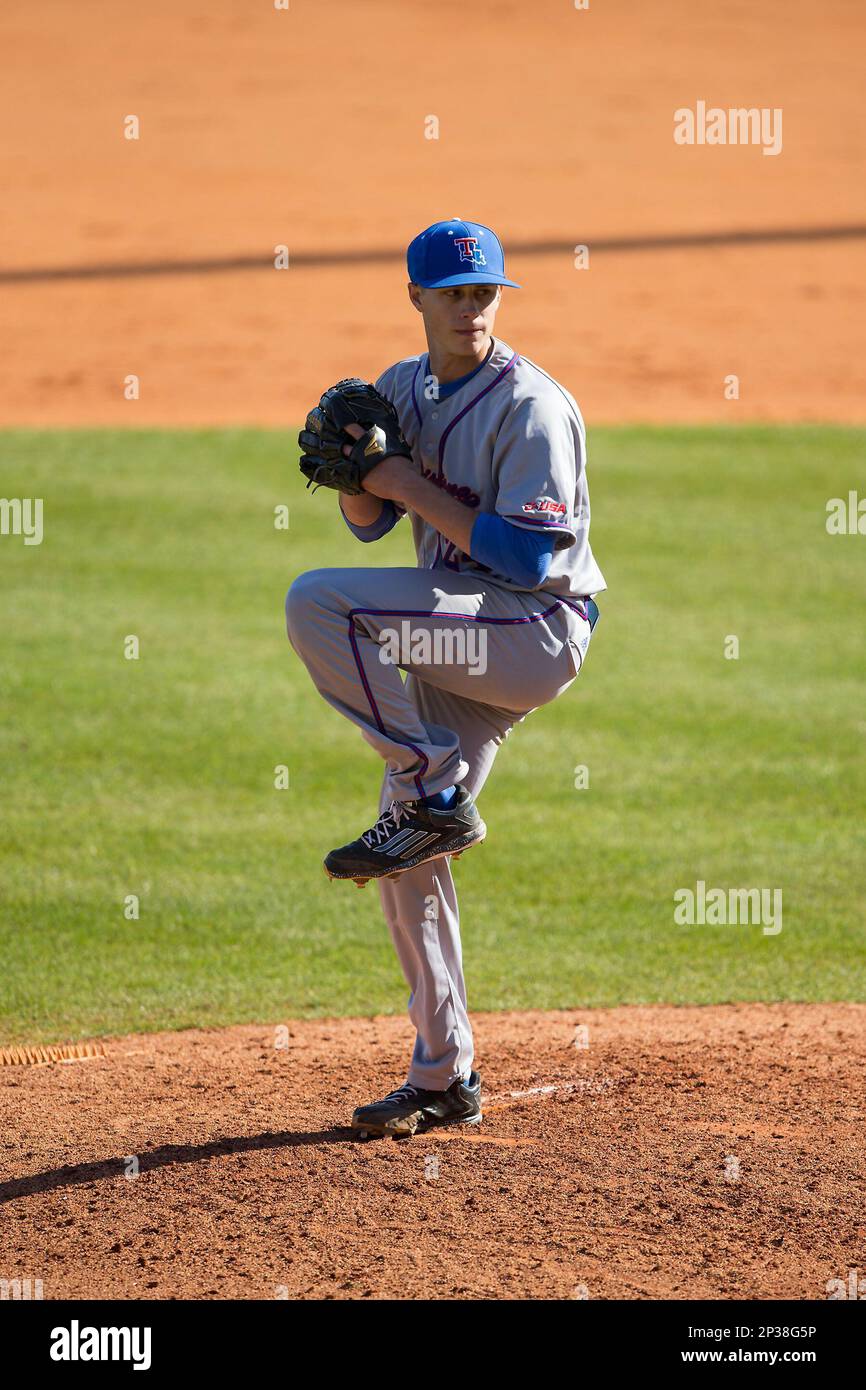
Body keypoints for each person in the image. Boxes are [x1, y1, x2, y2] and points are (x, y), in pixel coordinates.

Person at [285, 218, 606, 1138]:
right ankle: (442, 1074)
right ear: (417, 297)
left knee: (319, 603)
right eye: (453, 292)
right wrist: (357, 478)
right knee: (406, 855)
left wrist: (401, 480)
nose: (470, 307)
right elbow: (365, 527)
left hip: (532, 630)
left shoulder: (531, 407)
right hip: (457, 638)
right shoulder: (400, 387)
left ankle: (430, 785)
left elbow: (526, 553)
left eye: (485, 292)